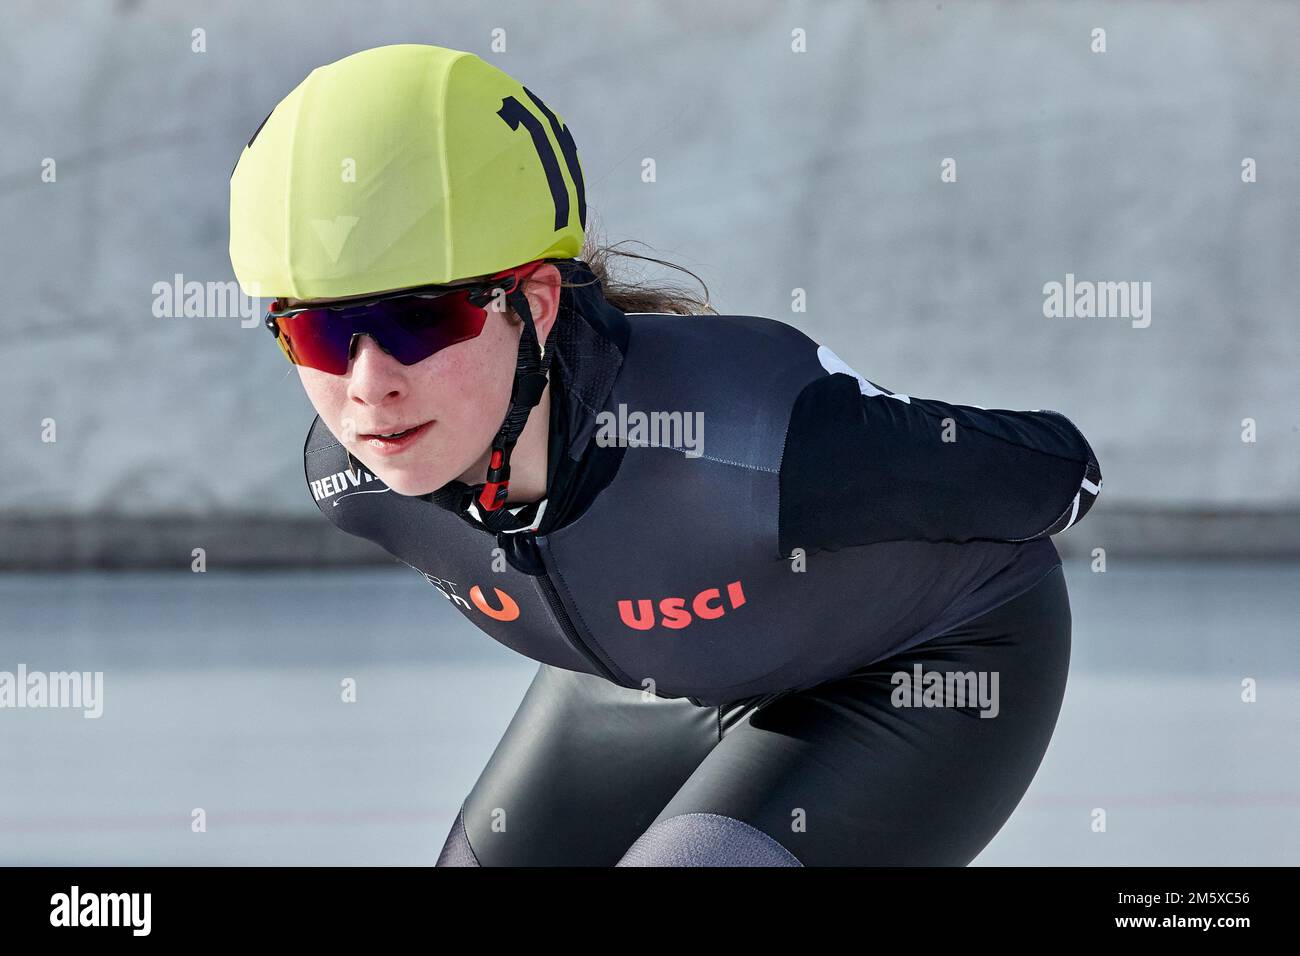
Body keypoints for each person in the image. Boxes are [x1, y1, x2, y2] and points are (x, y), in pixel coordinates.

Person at [229, 43, 1103, 866]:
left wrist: (879, 452)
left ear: (531, 304)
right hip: (651, 682)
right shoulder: (353, 481)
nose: (368, 383)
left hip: (921, 664)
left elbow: (1062, 470)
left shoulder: (752, 447)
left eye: (420, 318)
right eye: (317, 330)